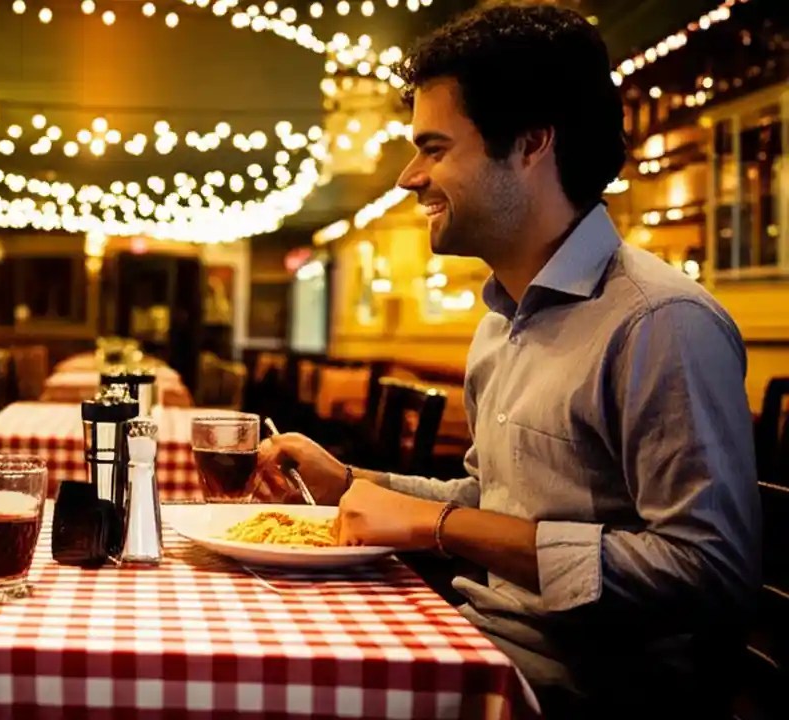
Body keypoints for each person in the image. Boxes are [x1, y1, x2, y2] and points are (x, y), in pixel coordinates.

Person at [259, 5, 759, 717]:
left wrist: (436, 528)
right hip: (478, 645)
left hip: (583, 694)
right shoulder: (502, 322)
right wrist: (346, 482)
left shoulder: (660, 323)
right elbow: (494, 506)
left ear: (530, 143)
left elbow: (711, 572)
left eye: (434, 148)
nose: (409, 177)